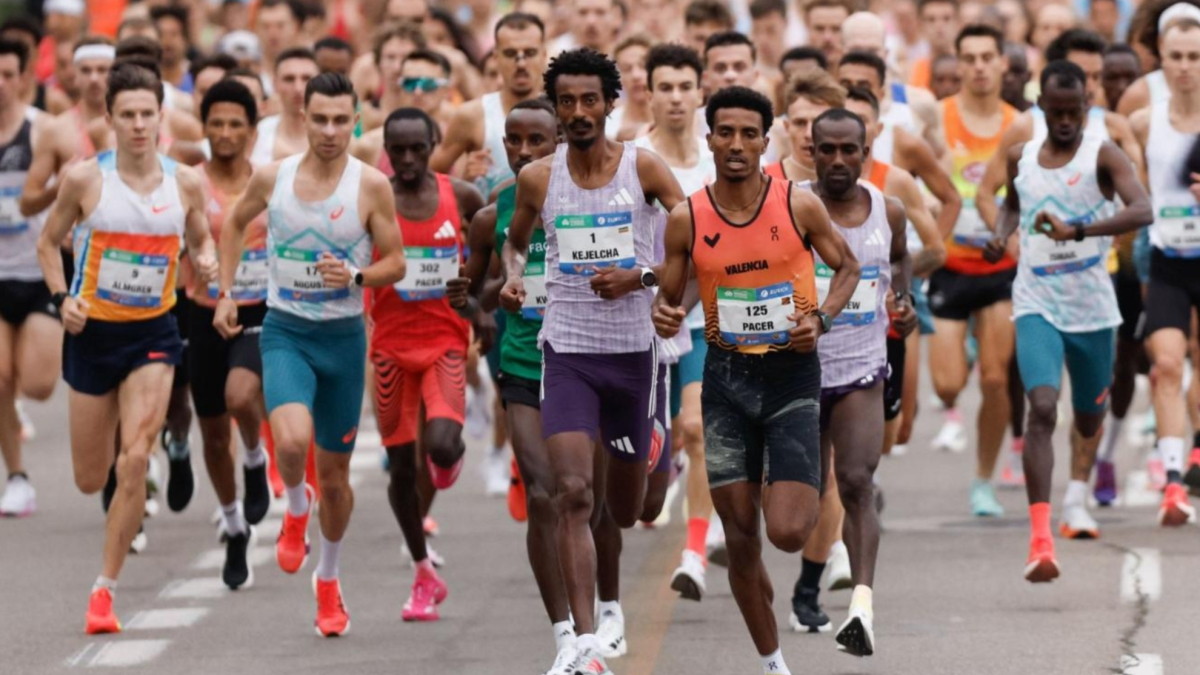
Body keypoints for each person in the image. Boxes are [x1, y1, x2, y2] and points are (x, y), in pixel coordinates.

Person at [653, 85, 860, 675]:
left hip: (791, 376)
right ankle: (773, 662)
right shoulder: (686, 217)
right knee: (740, 534)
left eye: (749, 134)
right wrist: (663, 311)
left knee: (789, 531)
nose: (737, 145)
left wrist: (819, 318)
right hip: (726, 380)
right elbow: (673, 298)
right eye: (726, 133)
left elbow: (847, 266)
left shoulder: (798, 205)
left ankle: (776, 485)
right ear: (709, 138)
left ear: (765, 141)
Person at [498, 48, 685, 675]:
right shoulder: (537, 178)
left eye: (589, 100)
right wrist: (512, 278)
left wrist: (643, 277)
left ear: (611, 103)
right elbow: (515, 242)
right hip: (568, 354)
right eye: (567, 102)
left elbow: (694, 246)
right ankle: (580, 645)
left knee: (627, 511)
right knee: (572, 493)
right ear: (556, 109)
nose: (578, 112)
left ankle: (657, 442)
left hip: (634, 358)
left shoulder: (645, 170)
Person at [214, 72, 406, 636]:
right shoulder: (273, 177)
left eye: (340, 120)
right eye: (318, 119)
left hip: (344, 341)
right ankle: (296, 508)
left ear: (355, 120)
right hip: (286, 332)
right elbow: (231, 222)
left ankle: (329, 578)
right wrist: (227, 293)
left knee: (338, 480)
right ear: (303, 115)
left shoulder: (370, 185)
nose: (328, 130)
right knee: (292, 441)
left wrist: (357, 274)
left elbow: (396, 261)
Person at [35, 62, 218, 633]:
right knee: (92, 477)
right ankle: (125, 467)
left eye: (148, 114)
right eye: (128, 115)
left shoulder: (184, 181)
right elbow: (47, 242)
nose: (139, 125)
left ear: (162, 117)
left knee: (135, 457)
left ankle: (104, 592)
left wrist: (207, 259)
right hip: (92, 334)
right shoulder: (87, 179)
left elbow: (200, 235)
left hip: (153, 334)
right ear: (108, 119)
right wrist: (62, 297)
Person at [986, 60, 1152, 578]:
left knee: (1086, 417)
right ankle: (1040, 541)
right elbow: (1011, 205)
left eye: (1073, 112)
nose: (1064, 121)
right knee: (1041, 406)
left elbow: (1142, 210)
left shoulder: (1103, 153)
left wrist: (1079, 232)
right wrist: (999, 233)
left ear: (1087, 105)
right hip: (1037, 300)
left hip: (1093, 309)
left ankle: (1083, 460)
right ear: (1041, 108)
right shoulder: (1022, 157)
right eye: (1054, 112)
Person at [448, 97, 580, 675]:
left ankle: (602, 609)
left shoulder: (592, 200)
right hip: (524, 365)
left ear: (562, 141)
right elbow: (473, 293)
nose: (523, 152)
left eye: (537, 141)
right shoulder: (491, 214)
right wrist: (474, 299)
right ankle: (566, 634)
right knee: (546, 494)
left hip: (590, 363)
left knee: (589, 500)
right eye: (513, 141)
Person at [801, 107, 912, 656]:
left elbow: (901, 260)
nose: (840, 160)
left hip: (861, 369)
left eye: (851, 150)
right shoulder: (791, 206)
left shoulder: (887, 209)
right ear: (811, 150)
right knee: (798, 509)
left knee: (856, 481)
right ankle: (805, 574)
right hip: (796, 371)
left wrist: (905, 303)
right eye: (829, 150)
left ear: (866, 153)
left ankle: (861, 608)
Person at [369, 107, 484, 622]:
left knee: (440, 444)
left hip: (444, 342)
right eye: (399, 149)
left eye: (419, 148)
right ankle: (422, 571)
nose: (409, 158)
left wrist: (477, 302)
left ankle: (447, 459)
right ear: (387, 151)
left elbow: (489, 251)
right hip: (390, 347)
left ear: (434, 144)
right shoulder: (372, 200)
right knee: (399, 470)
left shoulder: (458, 196)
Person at [631, 43, 721, 602]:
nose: (675, 97)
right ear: (650, 92)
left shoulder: (719, 160)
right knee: (646, 465)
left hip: (705, 317)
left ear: (700, 93)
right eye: (664, 87)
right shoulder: (633, 157)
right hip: (643, 320)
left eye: (685, 86)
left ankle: (694, 552)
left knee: (697, 428)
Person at [926, 24, 1018, 517]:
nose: (980, 66)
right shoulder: (936, 121)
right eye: (970, 58)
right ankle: (963, 343)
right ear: (957, 65)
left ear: (1003, 62)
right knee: (946, 385)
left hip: (1000, 267)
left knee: (997, 380)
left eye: (988, 56)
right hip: (948, 265)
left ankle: (983, 479)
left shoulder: (1018, 124)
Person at [187, 79, 274, 588]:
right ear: (204, 128)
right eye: (215, 123)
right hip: (201, 312)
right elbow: (189, 229)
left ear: (252, 129)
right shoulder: (189, 181)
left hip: (257, 307)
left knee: (241, 395)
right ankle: (234, 523)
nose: (224, 133)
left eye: (234, 124)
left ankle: (256, 456)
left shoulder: (267, 180)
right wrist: (199, 255)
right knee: (212, 435)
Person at [1130, 17, 1200, 526]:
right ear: (1160, 55)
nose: (1184, 67)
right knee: (1168, 366)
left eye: (1195, 57)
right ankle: (1174, 482)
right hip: (1167, 261)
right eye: (1175, 56)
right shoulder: (1142, 122)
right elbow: (1132, 195)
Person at [0, 38, 59, 517]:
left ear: (23, 78)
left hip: (38, 272)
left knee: (36, 384)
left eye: (7, 74)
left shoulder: (44, 131)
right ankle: (17, 477)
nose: (0, 84)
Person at [431, 12, 547, 196]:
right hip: (488, 223)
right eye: (510, 54)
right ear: (496, 57)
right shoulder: (472, 115)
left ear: (544, 55)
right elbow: (430, 176)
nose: (521, 63)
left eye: (530, 53)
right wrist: (464, 183)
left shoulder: (561, 112)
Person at [250, 47, 319, 165]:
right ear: (275, 84)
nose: (298, 88)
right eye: (289, 79)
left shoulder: (334, 133)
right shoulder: (259, 133)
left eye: (306, 79)